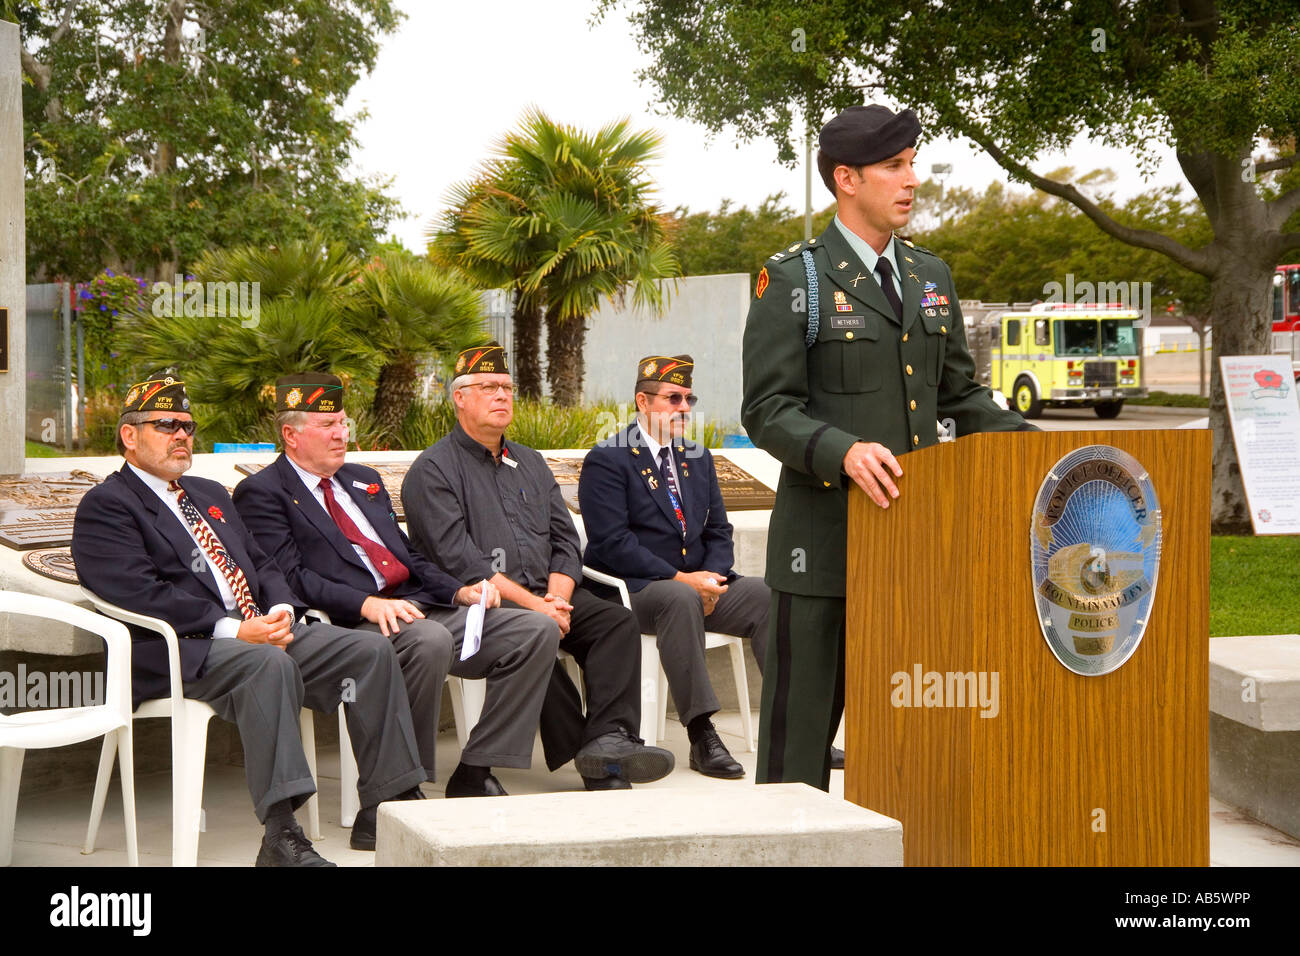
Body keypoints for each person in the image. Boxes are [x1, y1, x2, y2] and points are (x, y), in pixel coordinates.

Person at [740, 105, 1035, 791]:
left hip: (917, 549)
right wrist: (841, 450)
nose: (912, 179)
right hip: (822, 552)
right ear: (847, 178)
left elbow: (961, 396)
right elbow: (766, 411)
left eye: (912, 163)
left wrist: (1048, 453)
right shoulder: (795, 279)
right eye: (894, 166)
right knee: (798, 745)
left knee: (916, 738)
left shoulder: (931, 276)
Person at [71, 376, 426, 865]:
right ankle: (281, 834)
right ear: (130, 436)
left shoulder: (207, 491)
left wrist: (280, 609)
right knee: (268, 665)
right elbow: (139, 593)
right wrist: (234, 628)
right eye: (166, 425)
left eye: (188, 427)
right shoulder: (109, 505)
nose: (181, 435)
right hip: (182, 650)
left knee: (368, 651)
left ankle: (385, 806)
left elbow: (262, 564)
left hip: (259, 631)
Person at [232, 372, 560, 806]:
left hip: (415, 605)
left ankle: (478, 767)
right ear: (291, 435)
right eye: (328, 426)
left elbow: (408, 556)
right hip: (353, 622)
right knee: (428, 640)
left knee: (534, 630)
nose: (341, 434)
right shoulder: (264, 492)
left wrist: (460, 590)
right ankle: (405, 788)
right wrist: (365, 603)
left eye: (344, 423)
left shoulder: (361, 479)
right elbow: (291, 577)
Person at [401, 343, 674, 789]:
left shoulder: (530, 462)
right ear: (459, 398)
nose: (501, 395)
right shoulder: (433, 471)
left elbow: (566, 540)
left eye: (507, 387)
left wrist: (558, 598)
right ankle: (595, 757)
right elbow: (461, 562)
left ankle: (609, 738)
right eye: (487, 387)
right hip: (482, 604)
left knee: (615, 623)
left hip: (548, 594)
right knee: (535, 634)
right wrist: (537, 607)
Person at [578, 355, 769, 779]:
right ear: (643, 403)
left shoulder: (696, 456)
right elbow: (612, 543)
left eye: (688, 398)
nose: (685, 407)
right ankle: (702, 735)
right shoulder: (608, 458)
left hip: (698, 584)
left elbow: (719, 528)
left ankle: (792, 726)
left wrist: (714, 579)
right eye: (673, 398)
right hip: (636, 588)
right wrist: (686, 580)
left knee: (765, 596)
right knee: (679, 598)